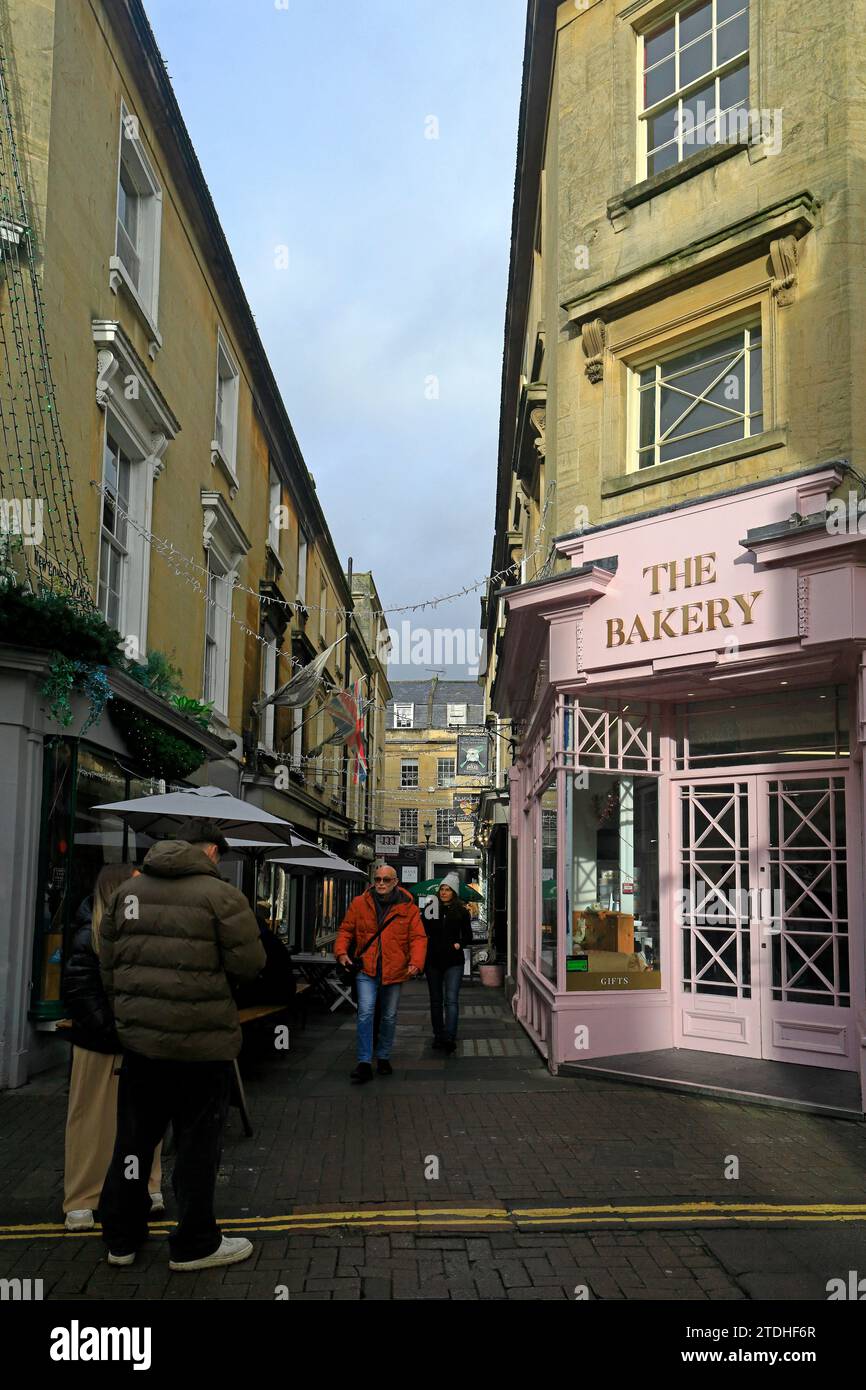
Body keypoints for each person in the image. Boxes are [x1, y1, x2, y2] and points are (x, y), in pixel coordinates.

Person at [98, 819, 265, 1272]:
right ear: (210, 851)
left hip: (141, 1045)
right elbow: (251, 965)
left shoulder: (127, 894)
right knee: (196, 1145)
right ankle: (194, 1243)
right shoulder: (222, 897)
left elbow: (108, 964)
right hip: (202, 1045)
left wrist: (129, 1012)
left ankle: (121, 1239)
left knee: (133, 1142)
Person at [61, 864, 163, 1231]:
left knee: (145, 1118)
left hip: (137, 1039)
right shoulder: (88, 933)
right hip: (99, 1042)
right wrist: (117, 1031)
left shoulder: (140, 930)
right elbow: (80, 992)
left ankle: (148, 1186)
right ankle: (83, 1198)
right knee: (92, 1121)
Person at [335, 863, 426, 1084]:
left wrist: (416, 962)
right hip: (366, 968)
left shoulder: (408, 908)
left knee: (389, 1016)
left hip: (394, 970)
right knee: (365, 1013)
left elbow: (418, 938)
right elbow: (346, 929)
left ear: (395, 882)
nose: (381, 884)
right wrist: (341, 952)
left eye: (386, 880)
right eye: (377, 880)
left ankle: (383, 1056)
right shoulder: (359, 903)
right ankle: (364, 1061)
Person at [424, 872, 474, 1054]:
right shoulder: (430, 908)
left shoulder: (461, 911)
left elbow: (468, 935)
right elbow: (422, 932)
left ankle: (450, 1037)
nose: (444, 892)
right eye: (442, 889)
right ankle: (438, 1035)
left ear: (454, 892)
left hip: (453, 961)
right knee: (436, 1001)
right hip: (433, 960)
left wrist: (459, 943)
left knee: (451, 1000)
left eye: (448, 889)